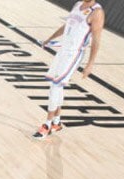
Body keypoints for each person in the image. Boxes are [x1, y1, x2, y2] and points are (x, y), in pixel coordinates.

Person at [33, 1, 105, 139]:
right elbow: (67, 26)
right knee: (57, 86)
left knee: (55, 86)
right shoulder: (78, 4)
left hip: (74, 54)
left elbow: (96, 40)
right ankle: (56, 122)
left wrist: (90, 64)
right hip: (63, 50)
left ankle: (47, 125)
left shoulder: (97, 12)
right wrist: (50, 38)